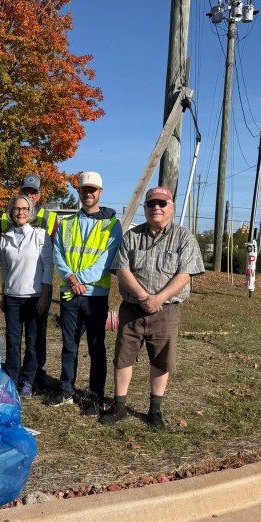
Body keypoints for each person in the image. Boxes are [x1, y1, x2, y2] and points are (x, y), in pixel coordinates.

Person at [101, 186, 204, 430]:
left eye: (162, 203)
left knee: (160, 360)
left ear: (172, 207)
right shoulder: (132, 236)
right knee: (123, 358)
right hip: (132, 309)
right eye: (151, 204)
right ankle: (119, 406)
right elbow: (122, 269)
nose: (156, 208)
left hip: (166, 311)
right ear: (145, 208)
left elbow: (185, 274)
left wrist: (159, 299)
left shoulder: (183, 237)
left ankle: (154, 410)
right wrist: (144, 296)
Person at [49, 171, 123, 416]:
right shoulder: (67, 222)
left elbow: (107, 259)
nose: (88, 194)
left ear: (100, 193)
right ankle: (66, 390)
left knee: (96, 347)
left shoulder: (112, 224)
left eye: (93, 190)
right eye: (84, 190)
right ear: (78, 192)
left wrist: (78, 278)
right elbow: (57, 252)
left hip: (95, 296)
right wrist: (70, 278)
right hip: (70, 294)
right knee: (69, 345)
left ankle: (96, 397)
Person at [0, 174, 59, 392]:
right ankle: (12, 378)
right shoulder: (6, 236)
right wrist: (4, 295)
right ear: (11, 211)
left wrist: (45, 293)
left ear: (31, 211)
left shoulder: (40, 235)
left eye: (25, 209)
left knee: (33, 343)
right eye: (17, 208)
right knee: (13, 341)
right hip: (13, 297)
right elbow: (4, 268)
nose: (21, 212)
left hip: (34, 297)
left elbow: (48, 265)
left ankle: (28, 380)